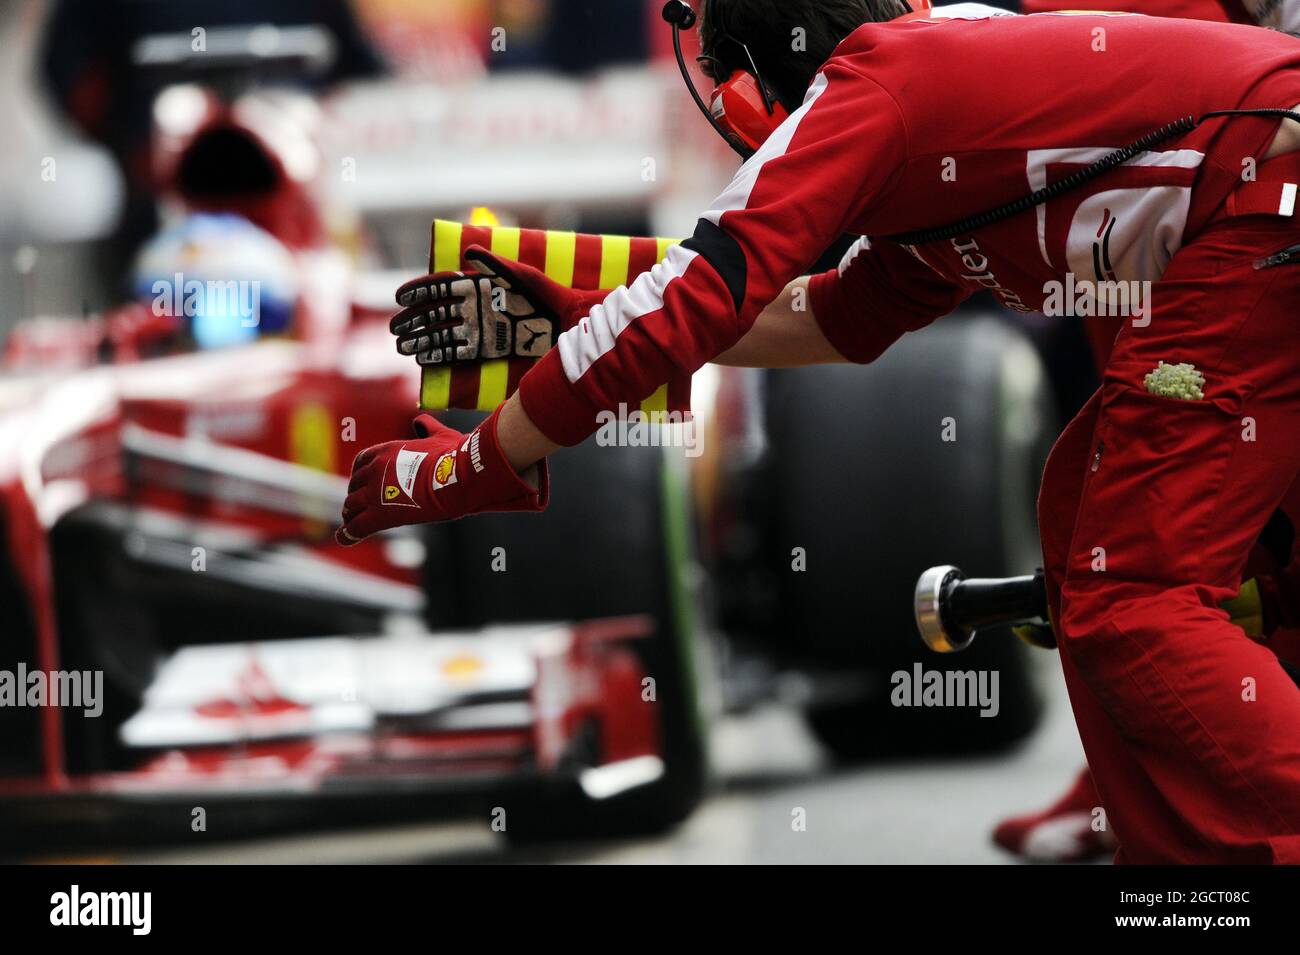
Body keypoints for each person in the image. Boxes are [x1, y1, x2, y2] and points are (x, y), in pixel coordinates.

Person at [338, 1, 1300, 862]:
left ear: (759, 90)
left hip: (1268, 197)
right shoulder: (942, 105)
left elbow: (700, 294)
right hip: (1263, 204)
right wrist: (589, 308)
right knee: (1081, 515)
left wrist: (473, 462)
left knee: (1128, 591)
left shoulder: (875, 82)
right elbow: (831, 318)